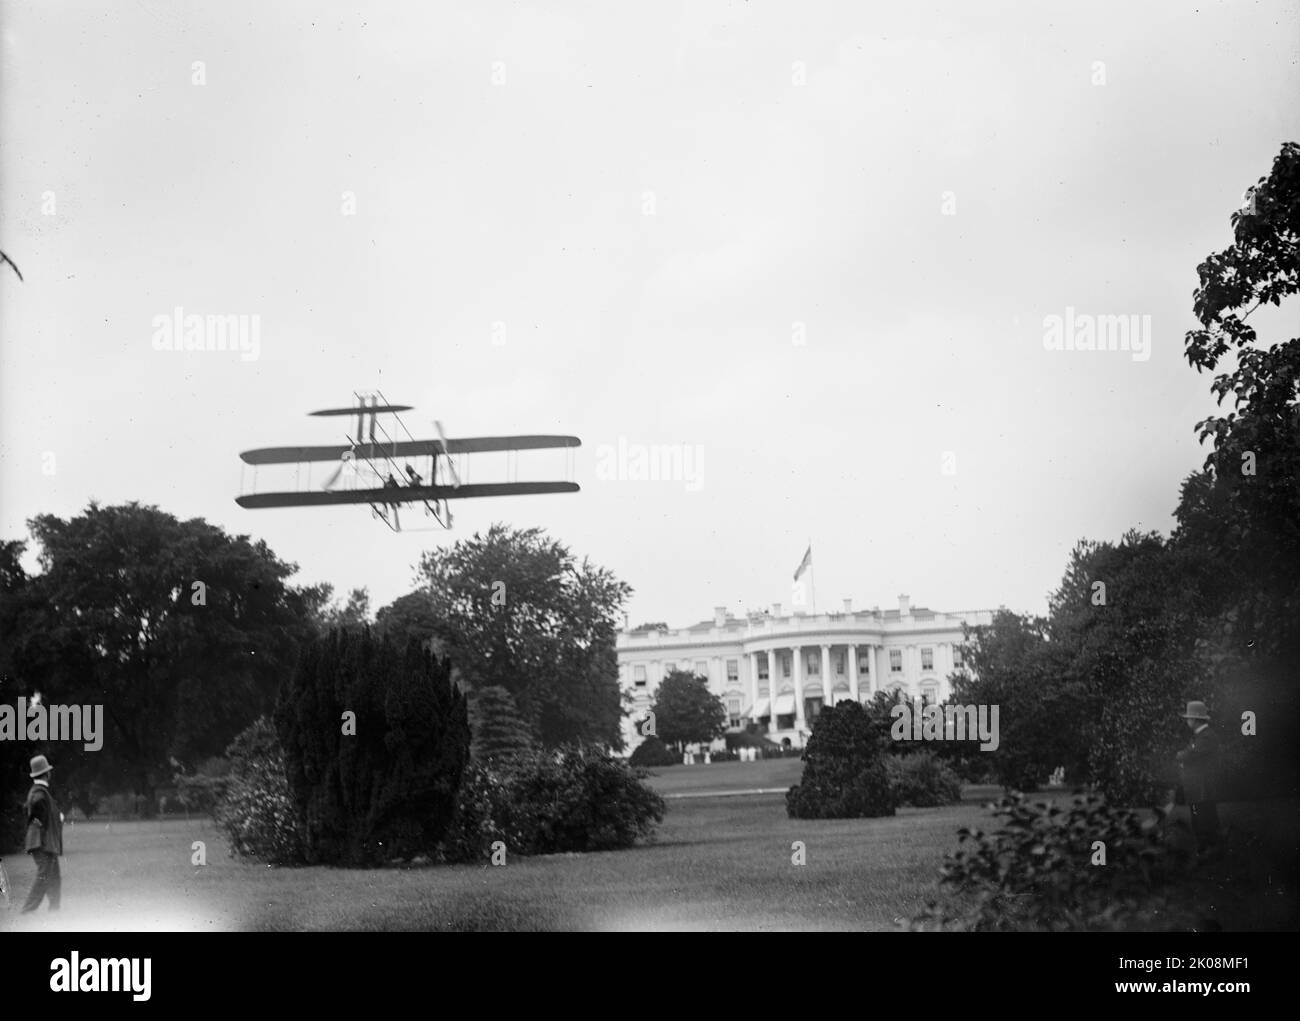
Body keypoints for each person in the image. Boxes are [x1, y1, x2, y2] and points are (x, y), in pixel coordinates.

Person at [1175, 701, 1220, 849]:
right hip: (1197, 787)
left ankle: (1209, 847)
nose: (1187, 721)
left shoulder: (1206, 736)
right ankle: (1209, 846)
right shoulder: (1200, 736)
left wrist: (1181, 755)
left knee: (1203, 818)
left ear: (1195, 719)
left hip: (1202, 787)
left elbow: (1190, 754)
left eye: (1189, 718)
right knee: (1200, 818)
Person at [21, 754, 63, 912]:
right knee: (45, 874)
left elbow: (33, 812)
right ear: (47, 773)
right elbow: (37, 817)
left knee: (53, 875)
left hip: (42, 840)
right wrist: (43, 825)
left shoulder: (39, 791)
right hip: (41, 841)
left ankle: (54, 908)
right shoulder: (39, 793)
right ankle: (27, 909)